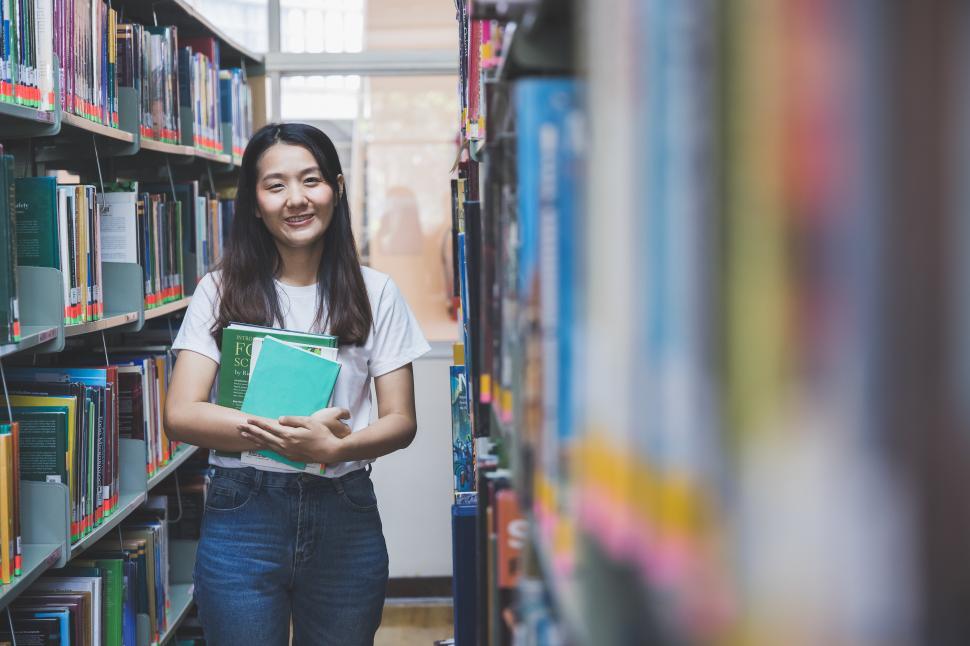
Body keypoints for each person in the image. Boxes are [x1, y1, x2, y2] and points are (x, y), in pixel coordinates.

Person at [164, 122, 430, 646]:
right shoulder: (218, 290)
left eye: (311, 180)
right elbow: (181, 413)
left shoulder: (377, 292)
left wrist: (337, 448)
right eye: (276, 185)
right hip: (243, 513)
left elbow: (402, 420)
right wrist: (288, 435)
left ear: (337, 188)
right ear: (254, 202)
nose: (296, 199)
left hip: (344, 509)